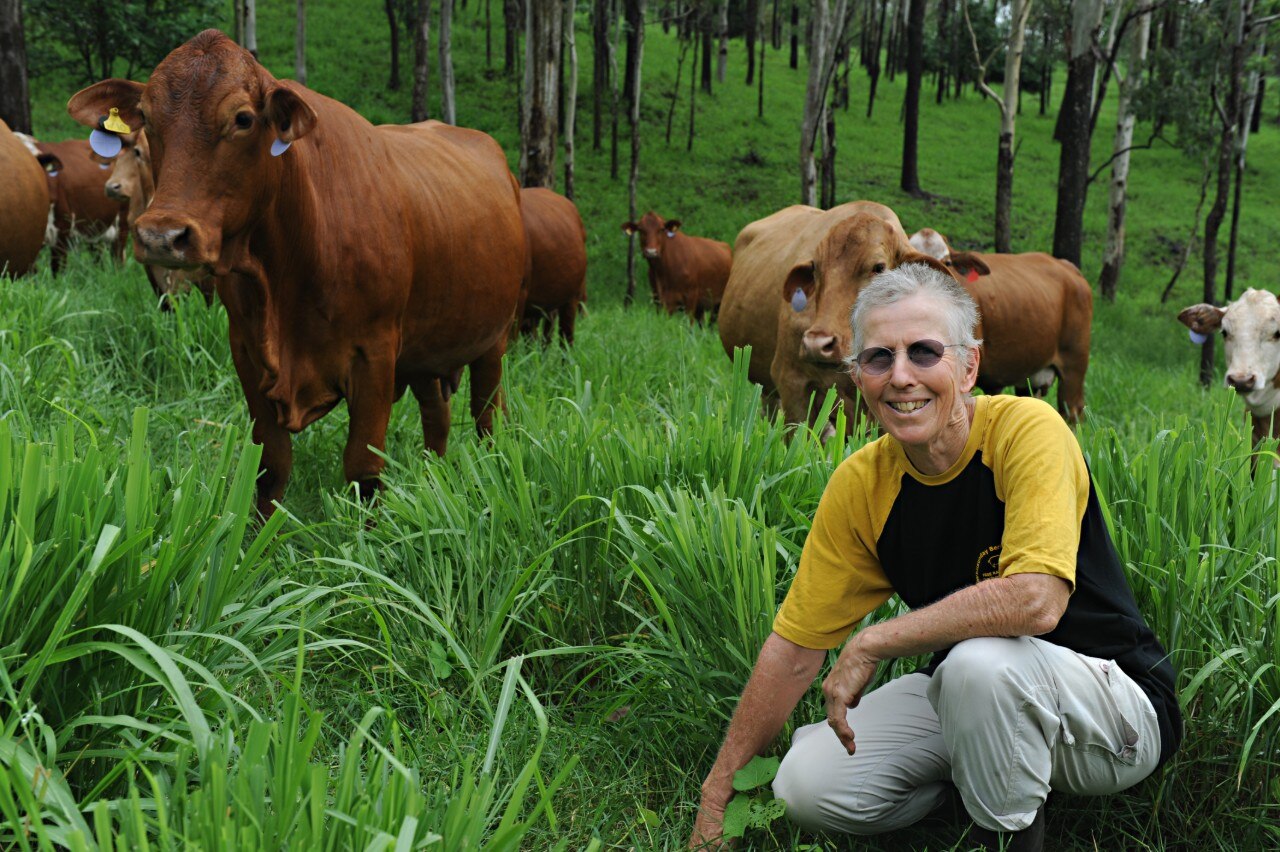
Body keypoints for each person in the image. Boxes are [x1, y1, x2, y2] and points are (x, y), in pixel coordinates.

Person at [689, 264, 1180, 851]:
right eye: (877, 358)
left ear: (969, 366)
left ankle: (1008, 837)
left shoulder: (1028, 430)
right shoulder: (861, 485)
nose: (900, 377)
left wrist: (875, 640)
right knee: (807, 784)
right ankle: (977, 787)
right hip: (976, 696)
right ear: (856, 376)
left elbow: (1035, 599)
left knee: (978, 664)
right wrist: (715, 795)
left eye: (924, 352)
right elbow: (795, 650)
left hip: (1114, 711)